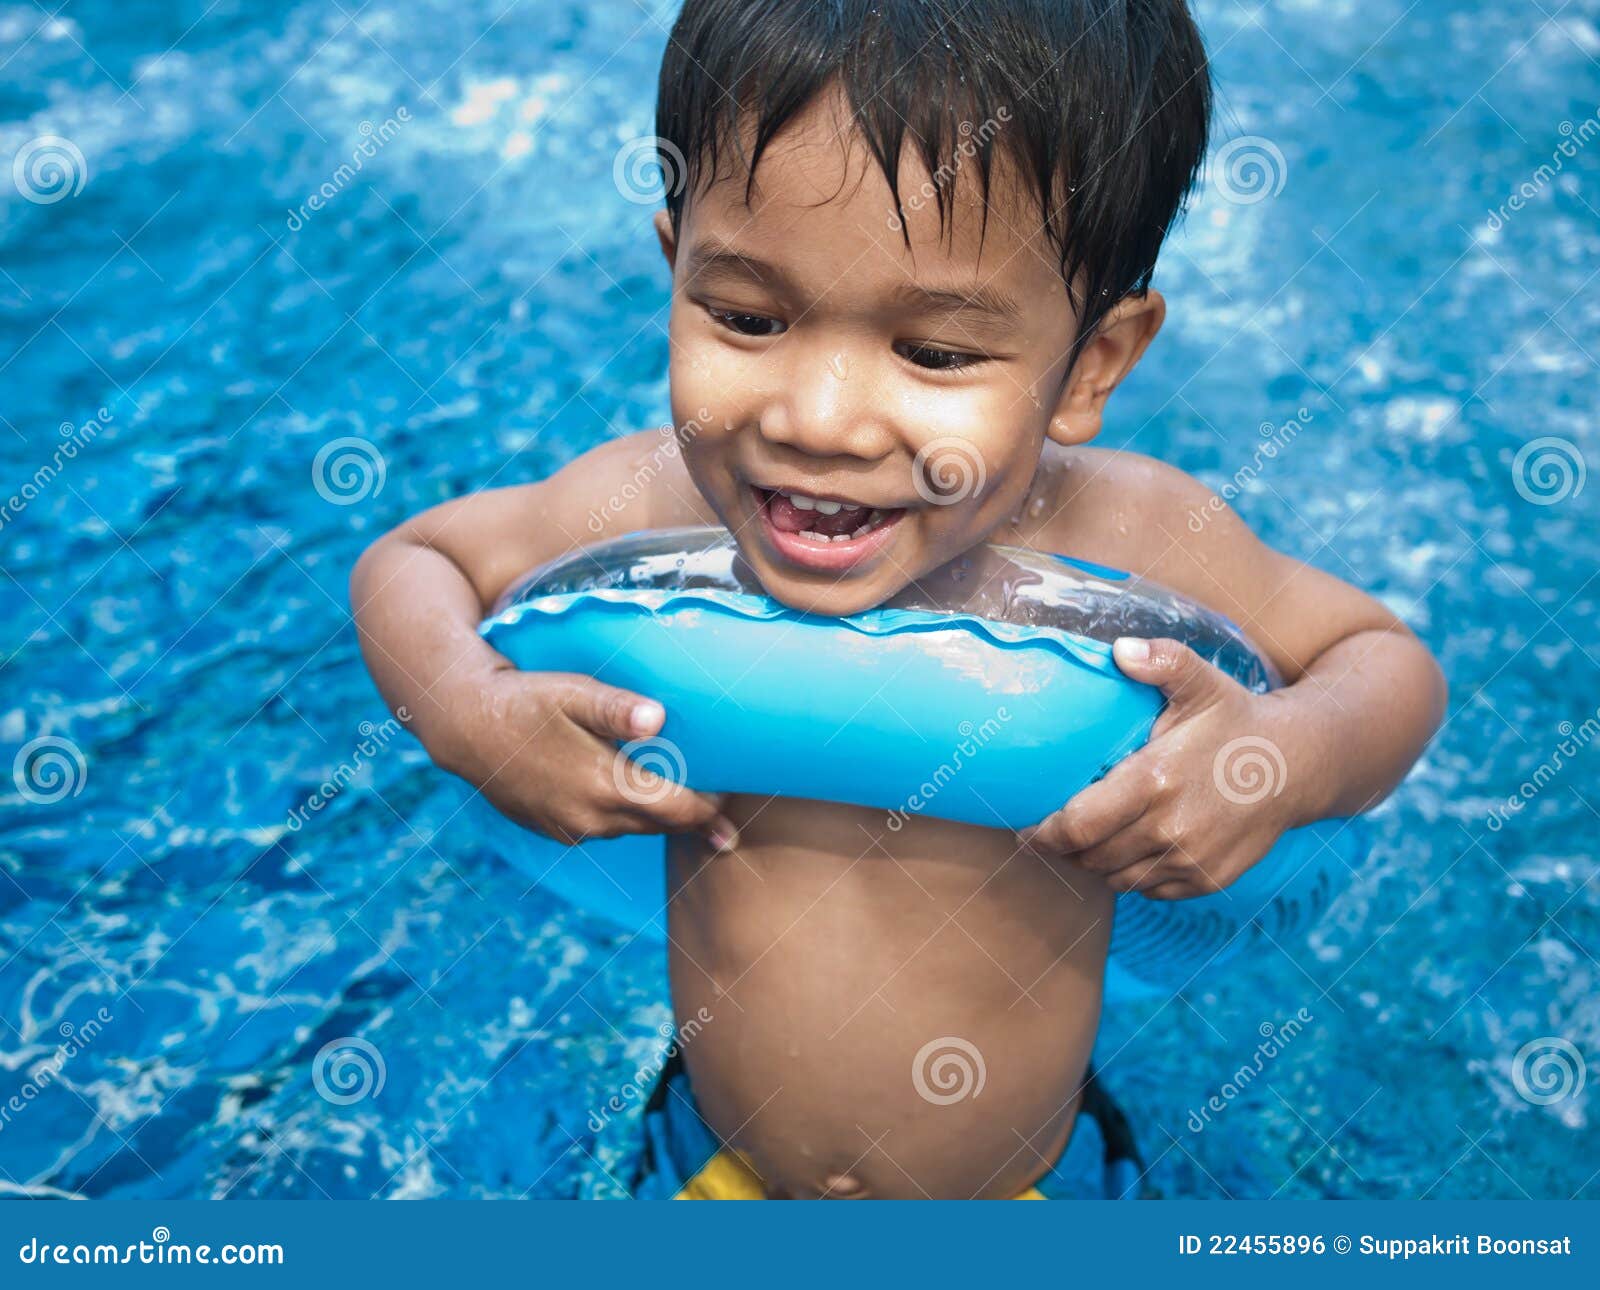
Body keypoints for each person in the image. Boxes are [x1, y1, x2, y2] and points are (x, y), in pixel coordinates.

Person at [351, 0, 1446, 1199]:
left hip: (1026, 1191)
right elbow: (415, 562)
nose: (816, 420)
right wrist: (465, 705)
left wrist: (1277, 756)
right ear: (674, 268)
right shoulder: (648, 503)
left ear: (1091, 366)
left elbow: (1381, 661)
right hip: (711, 1159)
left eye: (932, 354)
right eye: (747, 319)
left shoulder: (1135, 532)